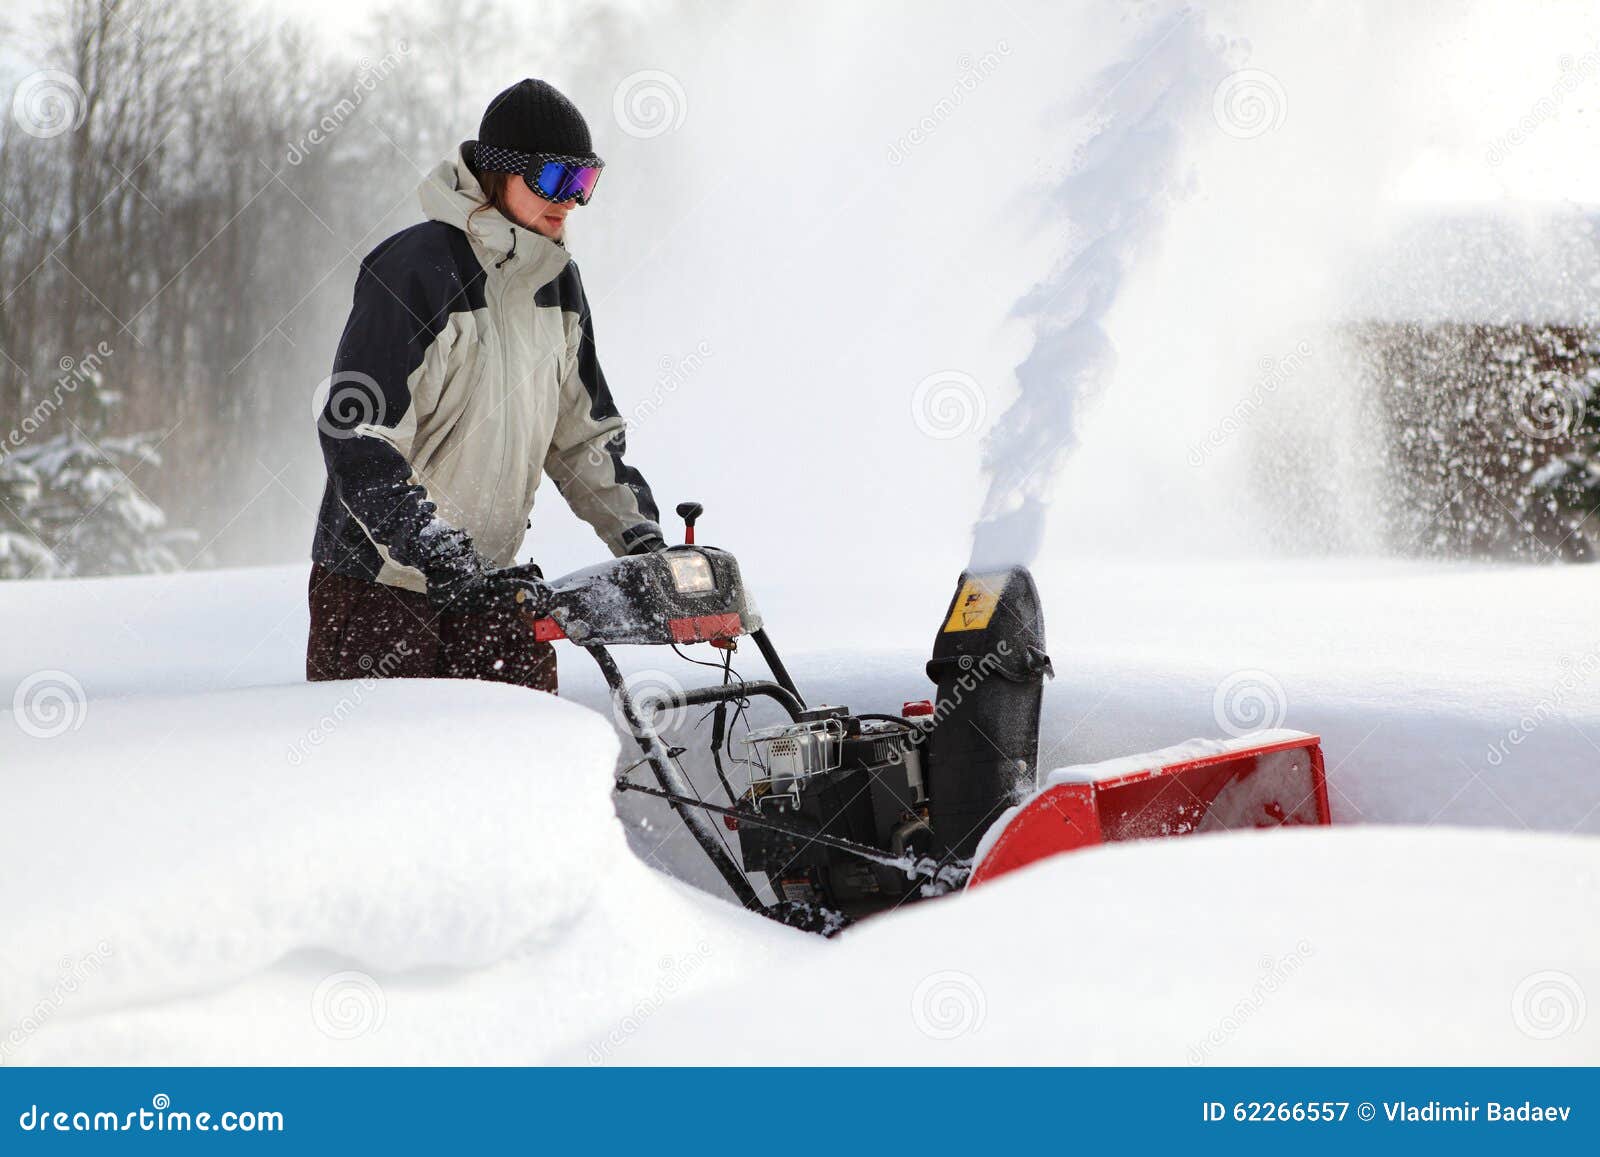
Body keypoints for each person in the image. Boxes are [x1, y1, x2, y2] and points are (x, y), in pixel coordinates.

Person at [306, 78, 663, 694]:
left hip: (487, 584)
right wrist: (432, 549)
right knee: (384, 778)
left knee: (520, 765)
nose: (570, 202)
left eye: (584, 185)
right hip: (382, 590)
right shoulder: (418, 269)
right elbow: (357, 432)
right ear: (501, 174)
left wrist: (643, 544)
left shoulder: (557, 284)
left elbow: (582, 439)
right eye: (555, 180)